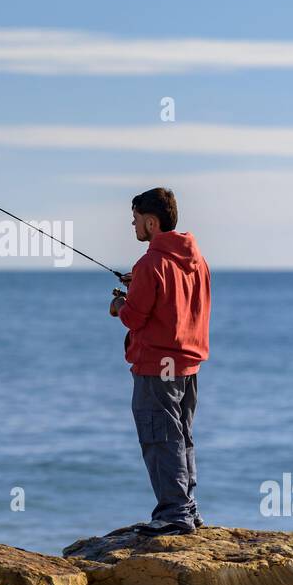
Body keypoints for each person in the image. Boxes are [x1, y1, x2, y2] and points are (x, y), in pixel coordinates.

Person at [110, 188, 211, 536]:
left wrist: (120, 306)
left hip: (157, 366)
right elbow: (177, 303)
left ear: (151, 222)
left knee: (159, 437)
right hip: (188, 365)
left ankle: (174, 514)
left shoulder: (151, 263)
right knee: (180, 436)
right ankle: (187, 508)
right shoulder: (196, 260)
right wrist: (137, 286)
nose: (132, 225)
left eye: (136, 219)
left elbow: (134, 318)